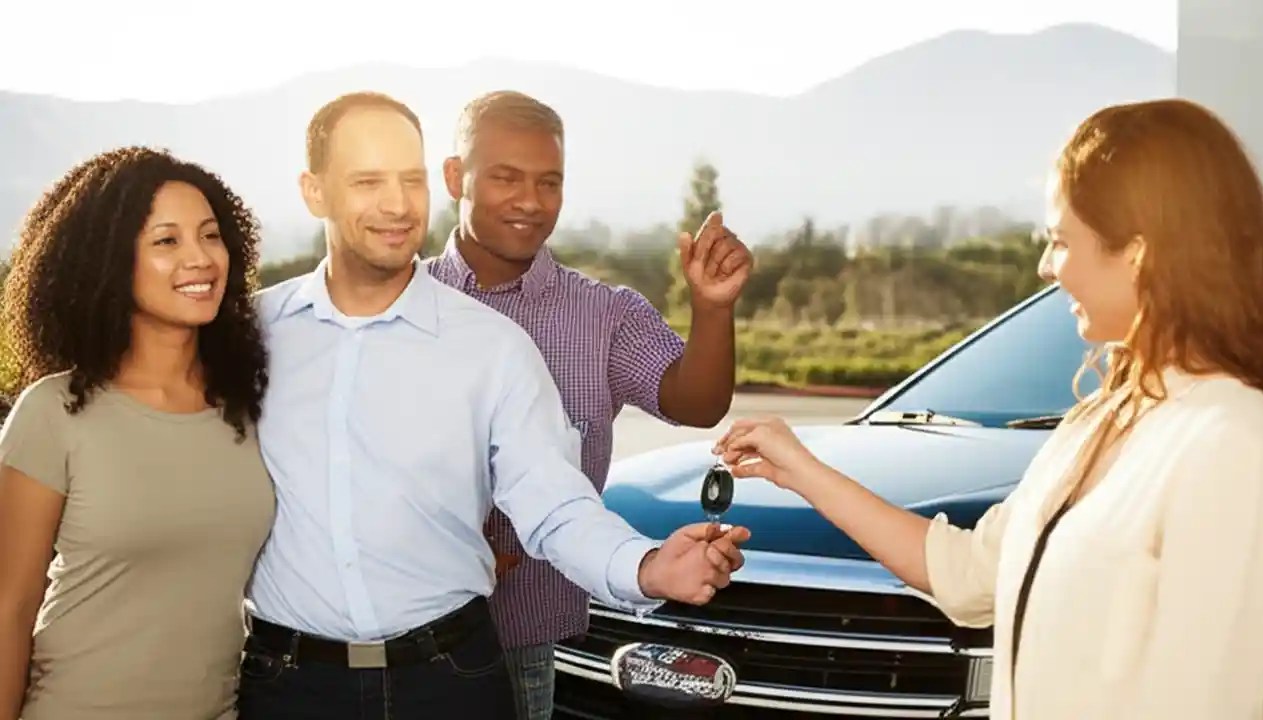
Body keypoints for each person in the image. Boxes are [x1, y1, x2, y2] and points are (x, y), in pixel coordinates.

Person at [713, 98, 1263, 720]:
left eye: (1061, 242)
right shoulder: (1097, 424)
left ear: (1139, 250)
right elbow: (968, 576)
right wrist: (799, 468)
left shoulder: (1233, 437)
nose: (1045, 266)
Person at [237, 91, 751, 720]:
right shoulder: (251, 333)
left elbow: (555, 502)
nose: (397, 204)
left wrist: (644, 566)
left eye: (408, 180)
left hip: (454, 675)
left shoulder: (497, 346)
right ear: (314, 191)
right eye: (368, 181)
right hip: (287, 682)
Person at [422, 89, 753, 718]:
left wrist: (712, 308)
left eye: (549, 182)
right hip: (400, 639)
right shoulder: (404, 302)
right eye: (506, 178)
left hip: (526, 641)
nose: (530, 201)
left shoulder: (602, 314)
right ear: (454, 177)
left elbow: (698, 402)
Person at [0, 147, 276, 720]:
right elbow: (9, 607)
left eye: (210, 235)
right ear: (109, 262)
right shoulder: (52, 412)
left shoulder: (248, 407)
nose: (200, 259)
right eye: (166, 241)